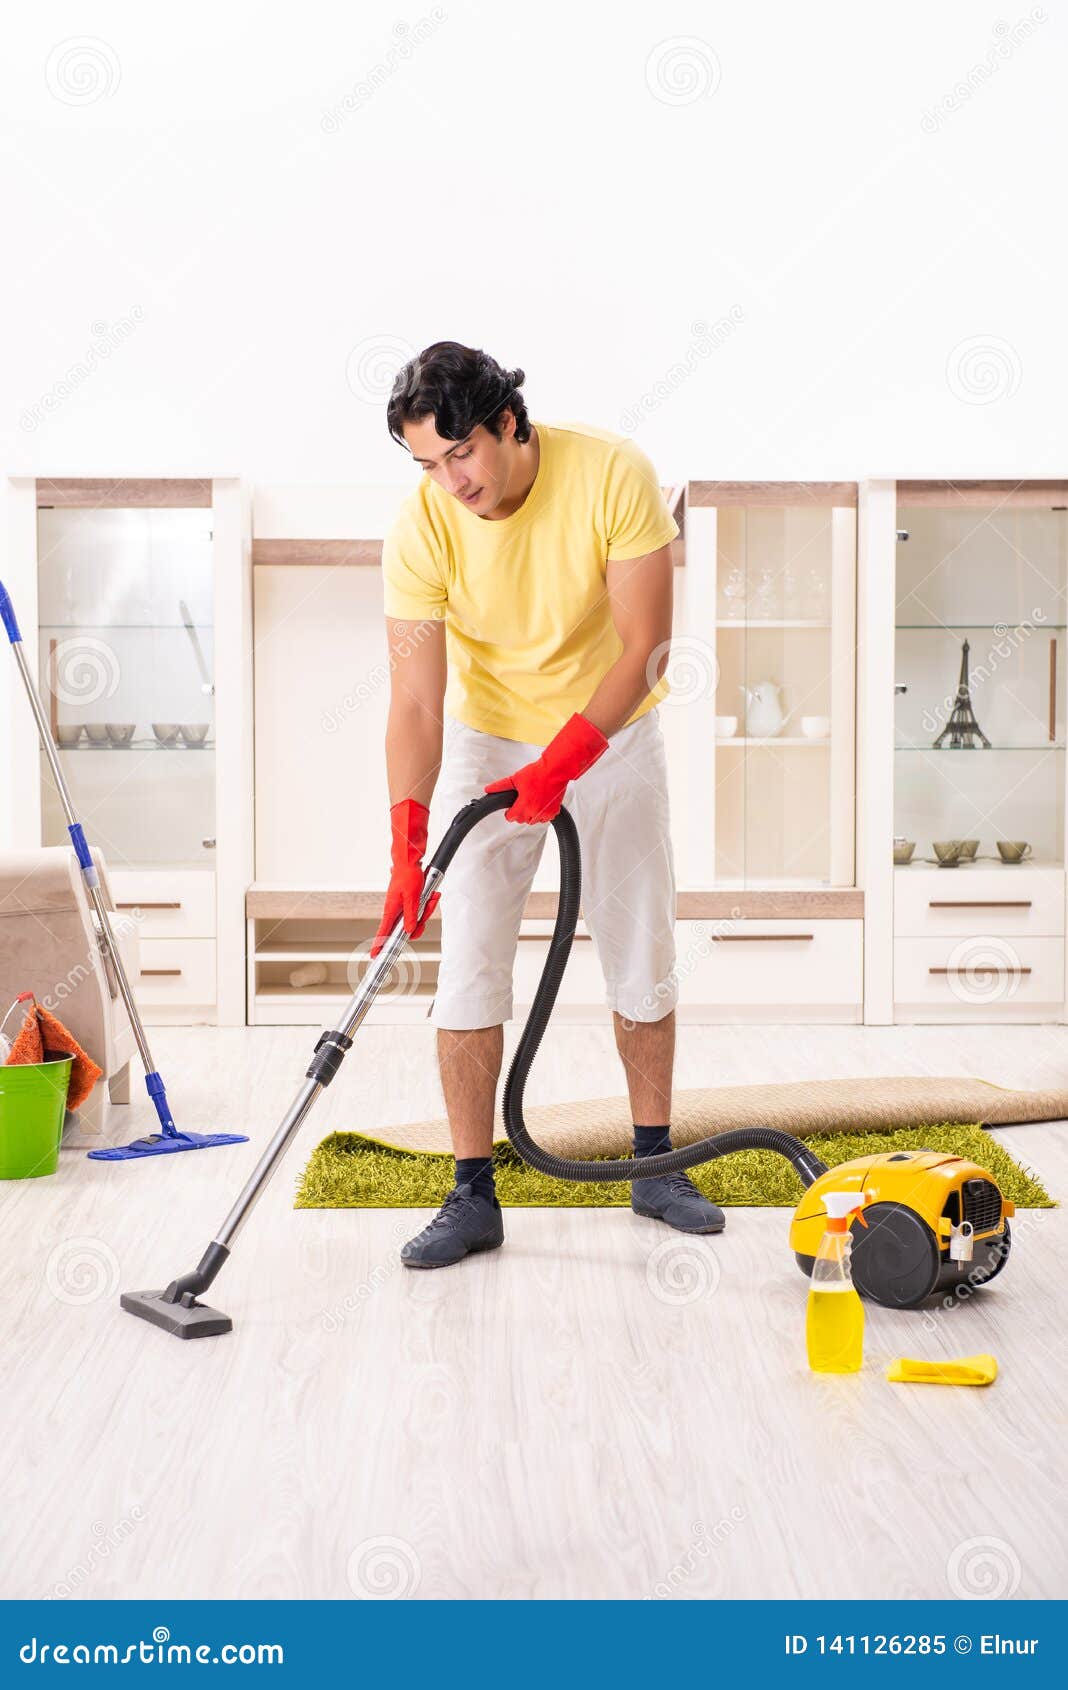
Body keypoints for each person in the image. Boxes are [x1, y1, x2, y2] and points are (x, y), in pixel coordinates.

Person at [374, 341, 724, 1268]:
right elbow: (414, 702)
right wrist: (409, 844)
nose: (451, 481)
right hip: (488, 739)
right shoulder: (422, 526)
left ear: (509, 424)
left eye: (462, 454)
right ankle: (471, 1194)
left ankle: (656, 1167)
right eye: (428, 464)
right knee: (469, 964)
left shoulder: (612, 472)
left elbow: (647, 646)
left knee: (641, 946)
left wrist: (568, 758)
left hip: (608, 731)